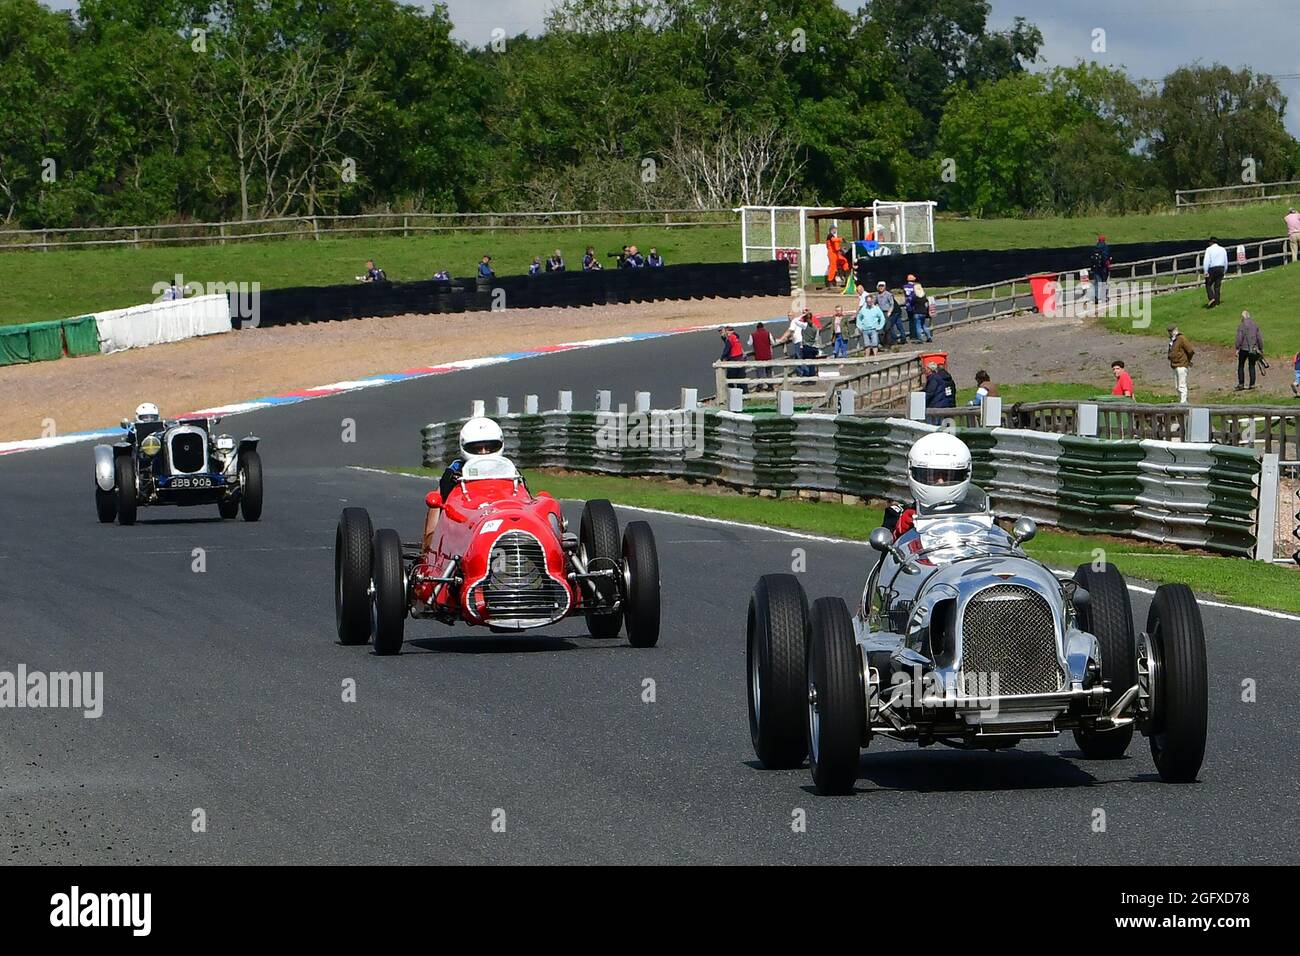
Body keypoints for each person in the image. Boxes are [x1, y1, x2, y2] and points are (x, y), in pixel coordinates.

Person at [424, 417, 508, 550]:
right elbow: (438, 505)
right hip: (464, 528)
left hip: (502, 525)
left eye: (489, 447)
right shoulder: (453, 474)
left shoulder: (510, 471)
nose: (484, 452)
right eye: (477, 448)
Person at [882, 432, 974, 540]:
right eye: (933, 475)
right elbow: (886, 552)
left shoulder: (977, 517)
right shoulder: (898, 516)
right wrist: (899, 532)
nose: (940, 482)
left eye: (947, 476)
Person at [1235, 310, 1264, 391]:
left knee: (1241, 366)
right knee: (1252, 366)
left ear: (1243, 317)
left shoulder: (1241, 326)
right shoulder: (1255, 325)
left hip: (1243, 349)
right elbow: (1259, 338)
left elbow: (1239, 338)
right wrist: (1261, 348)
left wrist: (1237, 348)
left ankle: (1241, 384)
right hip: (1253, 349)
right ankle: (1252, 384)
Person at [1168, 324, 1194, 403]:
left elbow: (1190, 350)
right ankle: (1181, 401)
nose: (1171, 333)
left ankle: (1183, 403)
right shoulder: (1172, 340)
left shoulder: (1181, 338)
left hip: (1182, 365)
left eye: (1172, 331)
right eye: (1170, 331)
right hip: (1174, 365)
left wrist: (1187, 360)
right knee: (1177, 386)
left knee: (1182, 385)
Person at [1203, 237, 1227, 307]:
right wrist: (1225, 270)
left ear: (1211, 242)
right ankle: (1217, 301)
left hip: (1212, 268)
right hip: (1221, 268)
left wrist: (1205, 271)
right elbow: (1225, 261)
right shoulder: (1222, 249)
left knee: (1208, 284)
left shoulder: (1209, 250)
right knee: (1217, 286)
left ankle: (1211, 298)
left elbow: (1206, 260)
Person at [748, 321, 774, 387]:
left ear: (757, 328)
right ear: (763, 327)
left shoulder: (753, 335)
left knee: (760, 372)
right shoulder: (768, 333)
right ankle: (770, 386)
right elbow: (773, 342)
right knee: (768, 372)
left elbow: (749, 343)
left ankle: (760, 386)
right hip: (768, 356)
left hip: (759, 356)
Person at [1089, 235, 1112, 305]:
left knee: (1096, 283)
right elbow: (1107, 257)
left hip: (1096, 268)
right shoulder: (1105, 247)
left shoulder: (1095, 247)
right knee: (1103, 282)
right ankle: (1103, 297)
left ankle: (1096, 297)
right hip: (1103, 268)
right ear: (1104, 240)